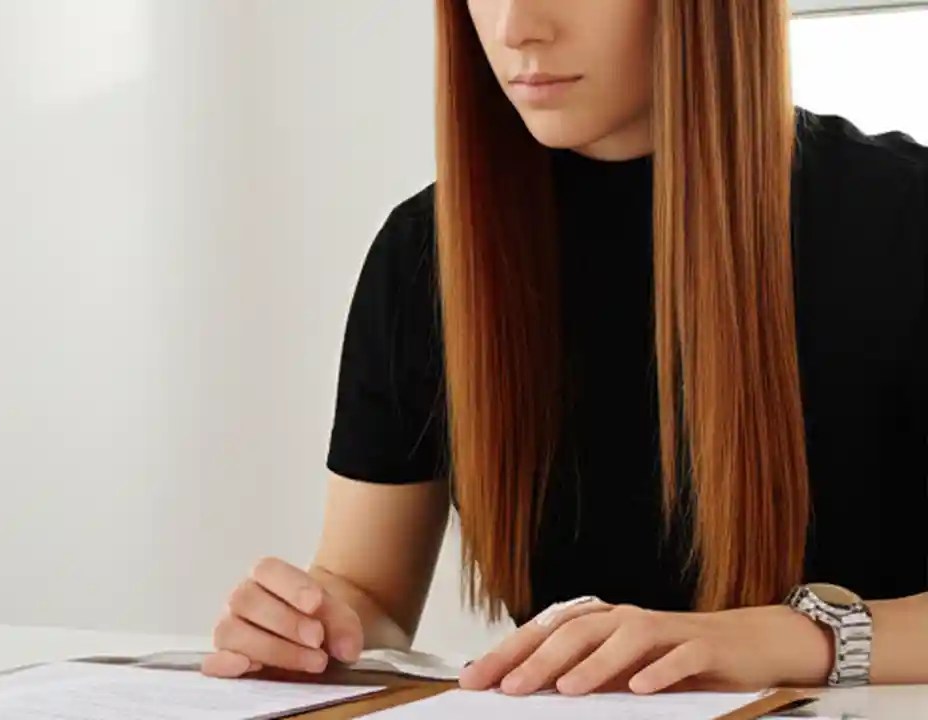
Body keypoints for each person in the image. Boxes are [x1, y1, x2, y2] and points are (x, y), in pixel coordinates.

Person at [203, 0, 928, 695]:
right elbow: (369, 596)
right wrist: (312, 629)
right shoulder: (427, 252)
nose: (518, 27)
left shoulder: (901, 217)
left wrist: (782, 640)